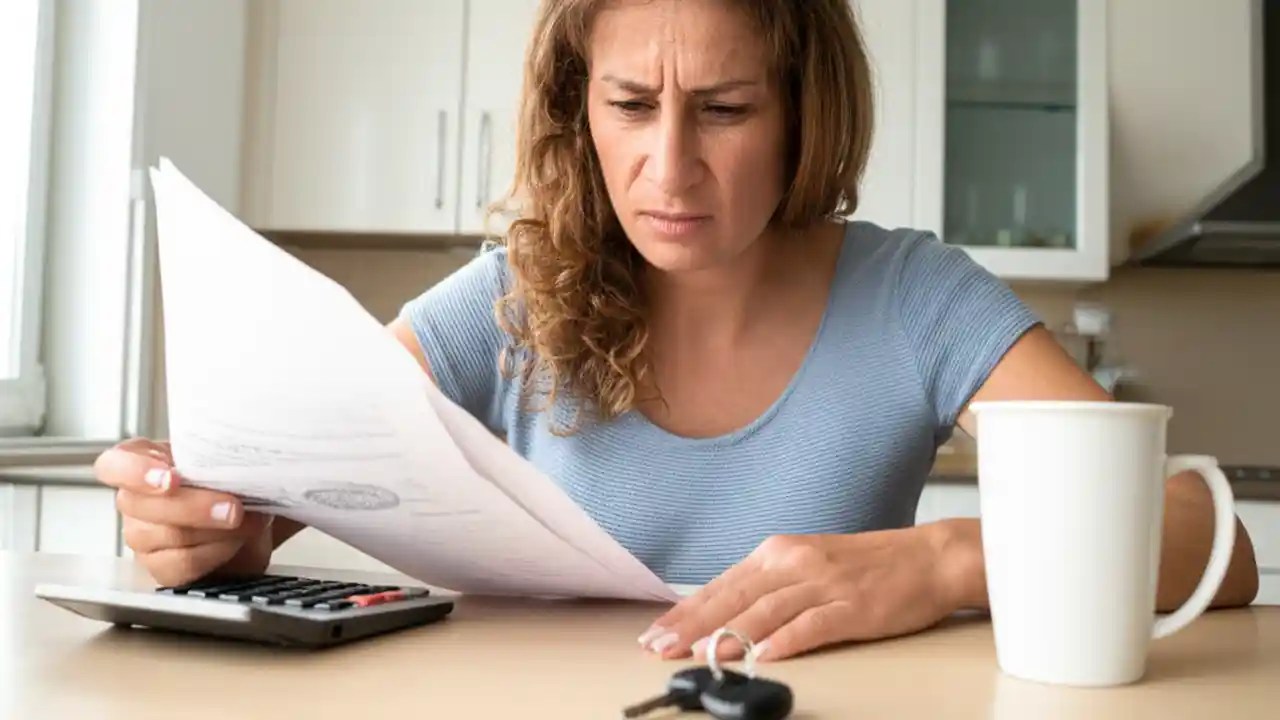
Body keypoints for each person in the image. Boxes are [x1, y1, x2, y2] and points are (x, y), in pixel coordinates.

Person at [94, 0, 1259, 662]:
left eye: (726, 110)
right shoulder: (502, 302)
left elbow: (1215, 541)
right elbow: (267, 491)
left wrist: (946, 559)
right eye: (630, 107)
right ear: (575, 107)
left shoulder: (915, 296)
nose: (669, 169)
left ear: (804, 113)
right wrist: (210, 526)